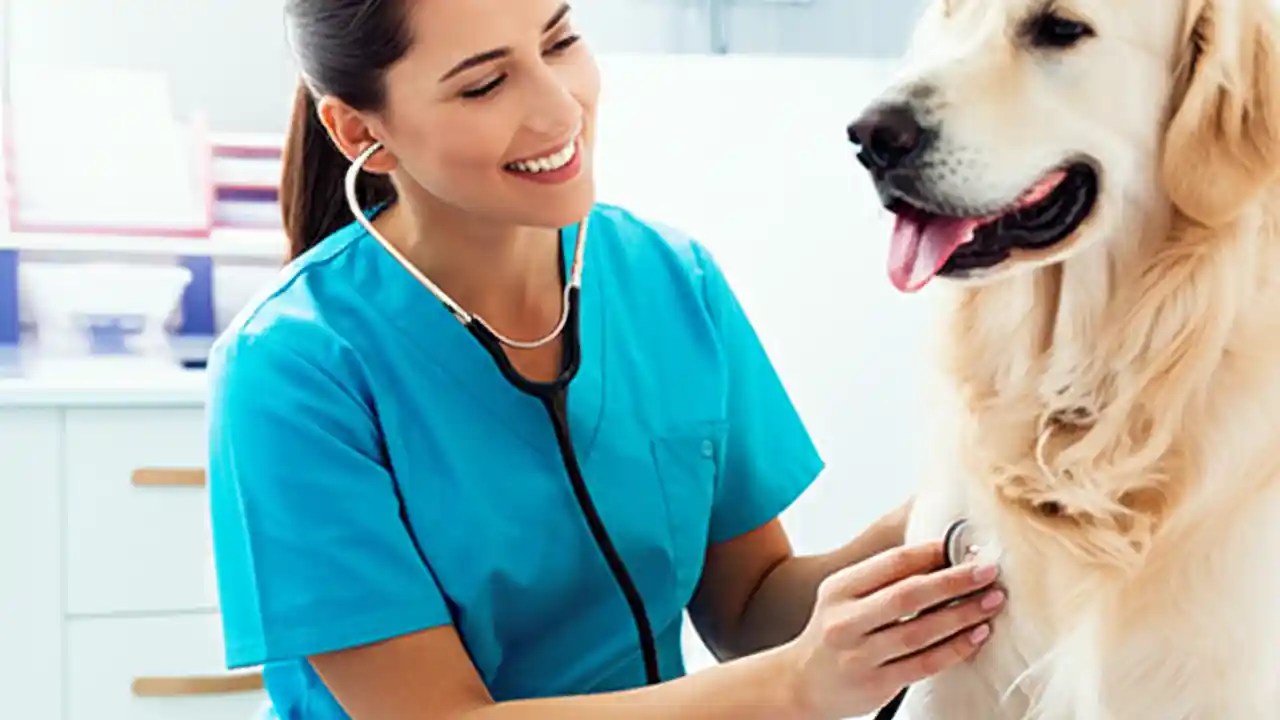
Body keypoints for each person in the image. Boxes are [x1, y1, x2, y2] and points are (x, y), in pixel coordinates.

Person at [205, 1, 1007, 718]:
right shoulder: (292, 369)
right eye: (484, 85)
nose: (560, 109)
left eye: (558, 41)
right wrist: (796, 686)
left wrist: (967, 496)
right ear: (360, 132)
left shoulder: (668, 277)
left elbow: (753, 611)